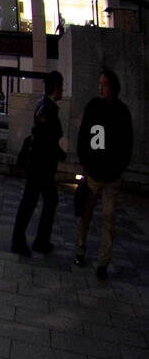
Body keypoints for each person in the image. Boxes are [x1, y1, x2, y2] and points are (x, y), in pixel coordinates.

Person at [75, 68, 133, 279]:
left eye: (104, 84)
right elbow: (84, 135)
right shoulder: (94, 107)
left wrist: (119, 167)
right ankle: (80, 249)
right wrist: (85, 161)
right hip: (94, 171)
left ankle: (102, 262)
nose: (101, 88)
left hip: (111, 174)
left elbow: (127, 143)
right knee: (86, 214)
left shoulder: (121, 112)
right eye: (100, 84)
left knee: (109, 218)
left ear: (113, 87)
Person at [11, 71, 65, 256]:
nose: (63, 90)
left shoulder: (43, 105)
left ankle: (35, 240)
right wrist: (60, 153)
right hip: (41, 165)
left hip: (39, 163)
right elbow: (46, 138)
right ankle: (28, 241)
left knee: (39, 201)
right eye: (61, 86)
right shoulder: (47, 108)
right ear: (56, 88)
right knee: (35, 201)